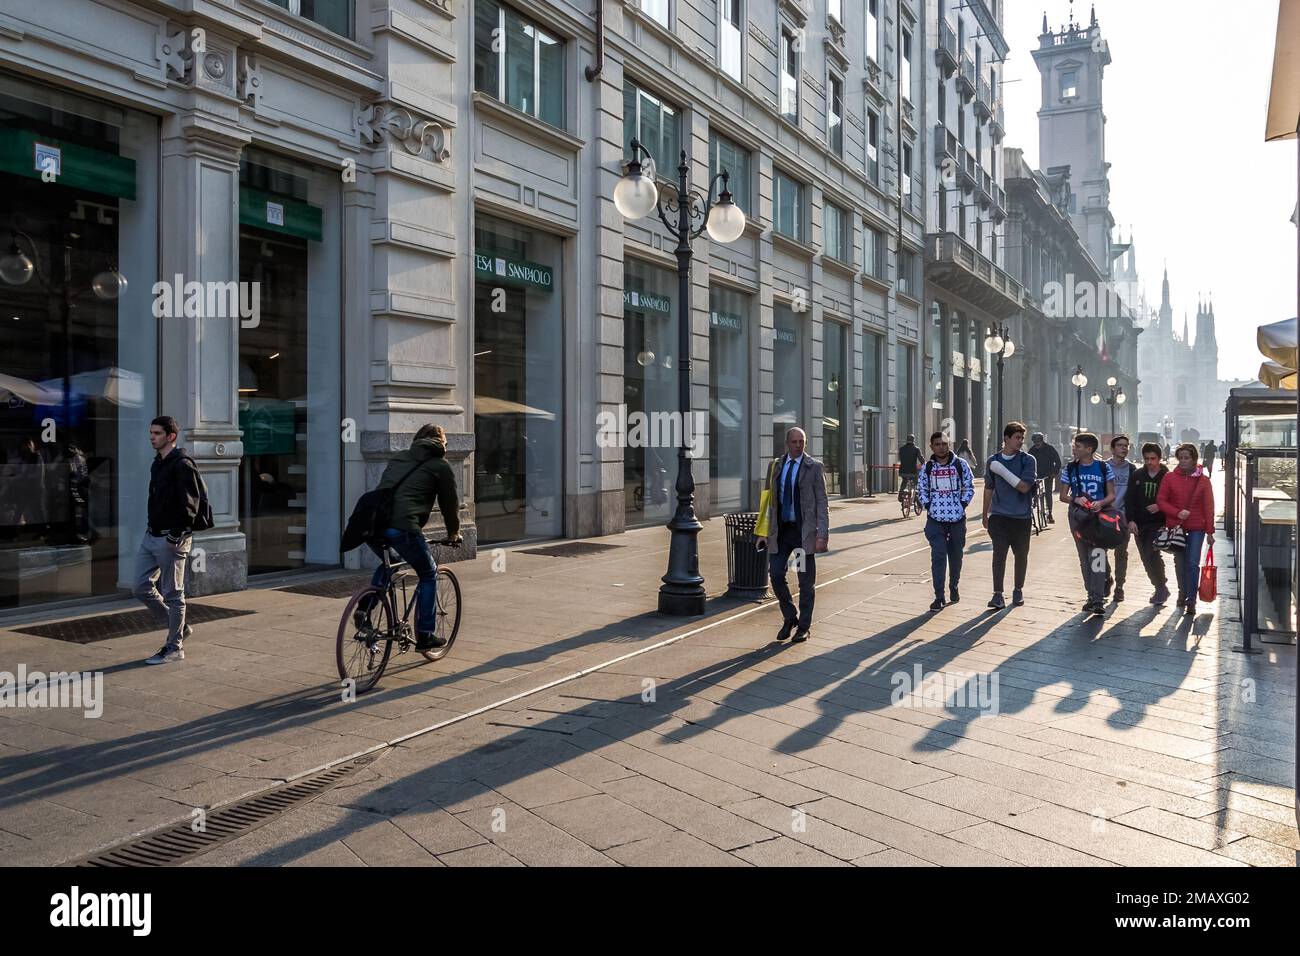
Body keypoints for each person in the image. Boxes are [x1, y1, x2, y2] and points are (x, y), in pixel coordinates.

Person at [367, 424, 462, 653]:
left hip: (373, 525)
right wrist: (453, 533)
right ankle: (425, 635)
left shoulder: (400, 458)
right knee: (428, 573)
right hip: (404, 528)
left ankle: (365, 606)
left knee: (391, 562)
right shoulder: (440, 466)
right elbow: (450, 505)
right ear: (441, 443)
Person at [137, 416, 203, 665]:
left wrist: (175, 536)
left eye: (157, 433)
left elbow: (191, 505)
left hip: (171, 539)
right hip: (151, 535)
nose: (152, 437)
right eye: (151, 432)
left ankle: (175, 647)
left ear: (170, 436)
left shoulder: (182, 464)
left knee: (174, 594)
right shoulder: (158, 464)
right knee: (140, 586)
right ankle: (180, 627)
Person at [764, 426, 829, 643]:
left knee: (804, 581)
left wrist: (822, 534)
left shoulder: (813, 467)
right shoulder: (776, 466)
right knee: (775, 574)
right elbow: (768, 501)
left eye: (802, 442)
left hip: (802, 534)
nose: (799, 446)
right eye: (795, 442)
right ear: (787, 444)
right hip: (781, 532)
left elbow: (822, 502)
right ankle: (790, 617)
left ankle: (803, 626)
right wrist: (762, 531)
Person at [1060, 432, 1116, 616]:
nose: (1074, 449)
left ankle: (1098, 599)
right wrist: (1075, 500)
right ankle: (1091, 595)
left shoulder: (1102, 467)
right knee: (1084, 558)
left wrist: (1100, 503)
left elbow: (1111, 495)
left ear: (1089, 449)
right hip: (1078, 517)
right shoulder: (1070, 468)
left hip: (1099, 517)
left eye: (1078, 446)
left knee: (1097, 556)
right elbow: (1063, 495)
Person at [981, 421, 1037, 609]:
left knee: (1021, 555)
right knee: (999, 555)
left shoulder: (1028, 460)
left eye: (1022, 438)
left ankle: (1018, 590)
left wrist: (1002, 470)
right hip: (999, 516)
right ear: (1006, 438)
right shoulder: (992, 460)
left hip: (1021, 517)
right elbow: (989, 488)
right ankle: (997, 594)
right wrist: (985, 514)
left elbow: (1023, 487)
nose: (1021, 441)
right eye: (1017, 438)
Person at [918, 431, 975, 611]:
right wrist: (928, 505)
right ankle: (939, 596)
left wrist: (962, 503)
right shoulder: (928, 468)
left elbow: (969, 485)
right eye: (937, 444)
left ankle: (954, 586)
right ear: (931, 447)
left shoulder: (961, 464)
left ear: (948, 444)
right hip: (935, 520)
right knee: (939, 556)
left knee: (956, 556)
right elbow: (922, 489)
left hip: (957, 519)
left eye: (944, 444)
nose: (941, 447)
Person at [1157, 442, 1215, 615]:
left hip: (1197, 527)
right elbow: (1161, 500)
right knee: (1180, 563)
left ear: (1194, 459)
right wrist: (1176, 512)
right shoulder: (1169, 477)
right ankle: (1183, 592)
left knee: (1192, 563)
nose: (1183, 461)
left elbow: (1209, 507)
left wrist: (1210, 531)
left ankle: (1191, 599)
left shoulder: (1203, 481)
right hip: (1177, 527)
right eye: (1180, 458)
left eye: (1186, 458)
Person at [1125, 441, 1171, 604]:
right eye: (1147, 459)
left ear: (1160, 458)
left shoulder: (1168, 476)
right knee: (1145, 556)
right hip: (1139, 523)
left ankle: (1161, 587)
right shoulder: (1137, 475)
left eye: (1153, 458)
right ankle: (1158, 586)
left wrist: (1161, 506)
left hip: (1158, 523)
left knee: (1152, 553)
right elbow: (1129, 499)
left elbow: (1174, 499)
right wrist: (1130, 520)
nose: (1150, 462)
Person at [1105, 435, 1136, 602]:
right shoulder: (1103, 467)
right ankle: (1106, 576)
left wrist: (1132, 518)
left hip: (1123, 517)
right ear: (1112, 449)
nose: (1124, 448)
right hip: (1104, 517)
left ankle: (1119, 586)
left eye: (1126, 446)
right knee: (1100, 550)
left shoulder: (1132, 469)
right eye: (1120, 445)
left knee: (1121, 553)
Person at [1027, 432, 1062, 524]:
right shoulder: (1032, 450)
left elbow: (1058, 462)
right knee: (1031, 491)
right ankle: (1033, 504)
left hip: (1048, 474)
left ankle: (1050, 513)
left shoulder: (1050, 449)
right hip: (1036, 474)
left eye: (1038, 442)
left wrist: (1054, 473)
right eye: (1035, 442)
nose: (1037, 444)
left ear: (1042, 441)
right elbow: (1027, 462)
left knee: (1048, 493)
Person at [897, 434, 923, 508]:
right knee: (915, 482)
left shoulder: (901, 449)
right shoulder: (916, 449)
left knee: (904, 481)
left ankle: (900, 493)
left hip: (903, 470)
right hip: (912, 471)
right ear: (913, 440)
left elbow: (900, 458)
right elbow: (921, 459)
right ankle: (915, 496)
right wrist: (924, 464)